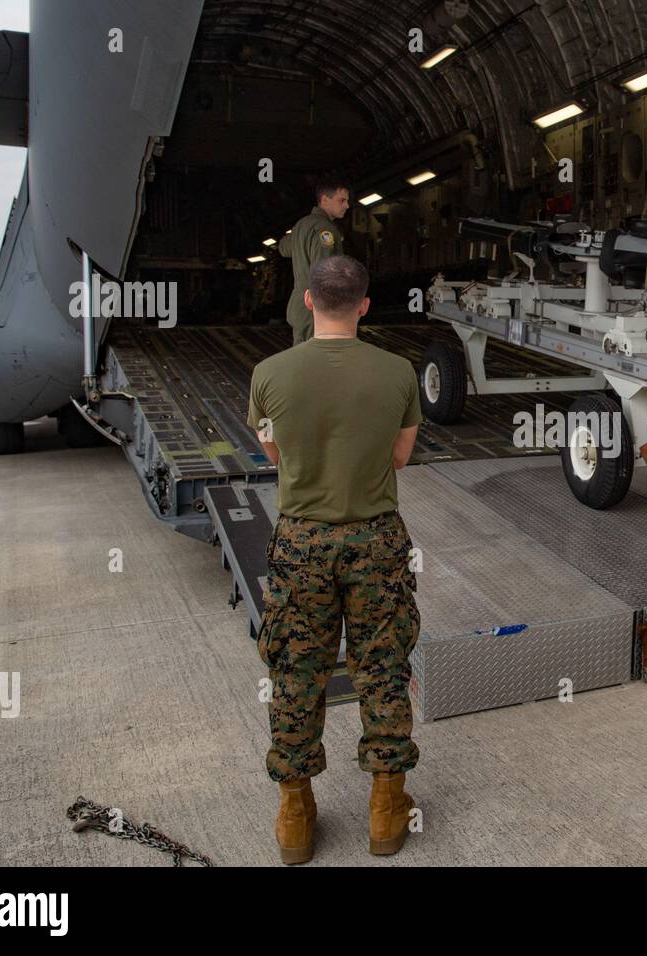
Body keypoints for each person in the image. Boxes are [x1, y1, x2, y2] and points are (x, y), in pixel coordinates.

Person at [246, 255, 422, 863]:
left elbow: (273, 450)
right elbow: (400, 458)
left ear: (308, 301)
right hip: (376, 540)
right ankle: (385, 808)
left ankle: (295, 814)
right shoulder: (399, 372)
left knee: (297, 674)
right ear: (365, 305)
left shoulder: (269, 373)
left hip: (301, 542)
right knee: (382, 667)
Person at [278, 182, 350, 345]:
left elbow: (283, 248)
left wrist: (298, 238)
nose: (347, 205)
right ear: (324, 200)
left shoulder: (302, 225)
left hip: (300, 304)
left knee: (302, 356)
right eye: (342, 200)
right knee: (317, 358)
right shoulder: (326, 230)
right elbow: (323, 273)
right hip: (317, 306)